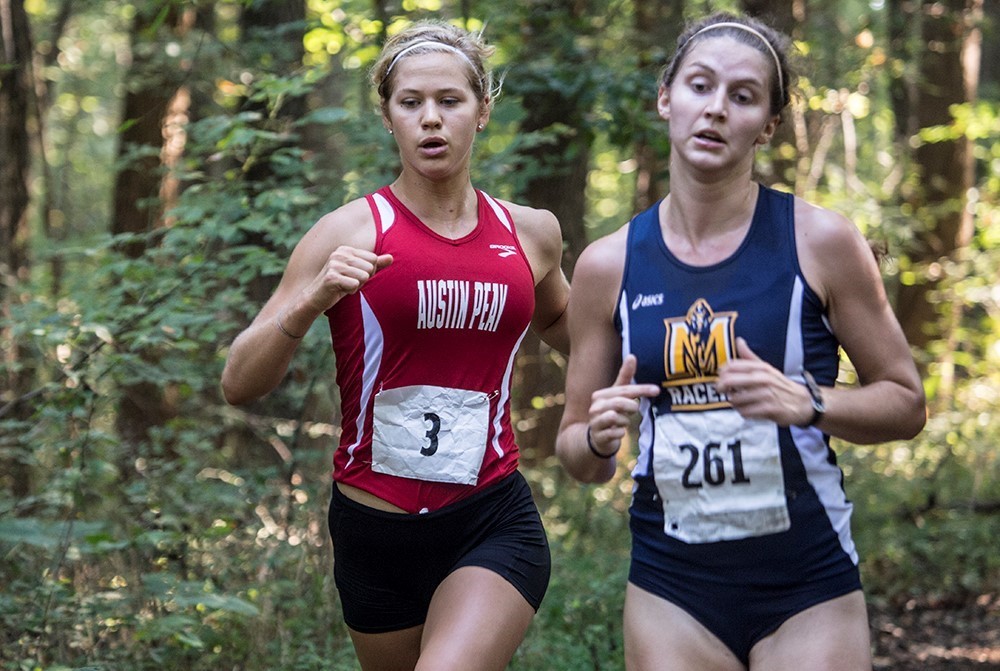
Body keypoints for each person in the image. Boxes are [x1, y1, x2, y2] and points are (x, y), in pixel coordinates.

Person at [555, 12, 925, 671]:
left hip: (806, 583)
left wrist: (808, 399)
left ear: (768, 125)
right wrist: (597, 436)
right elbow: (579, 456)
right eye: (700, 86)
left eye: (743, 95)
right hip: (672, 587)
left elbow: (905, 402)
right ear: (667, 97)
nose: (717, 109)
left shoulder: (822, 242)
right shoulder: (608, 265)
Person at [222, 19, 570, 671]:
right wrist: (311, 298)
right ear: (388, 116)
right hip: (372, 528)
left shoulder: (531, 234)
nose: (430, 120)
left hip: (490, 516)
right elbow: (240, 381)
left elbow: (568, 328)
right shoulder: (348, 231)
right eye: (411, 103)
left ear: (482, 109)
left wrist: (642, 375)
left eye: (450, 100)